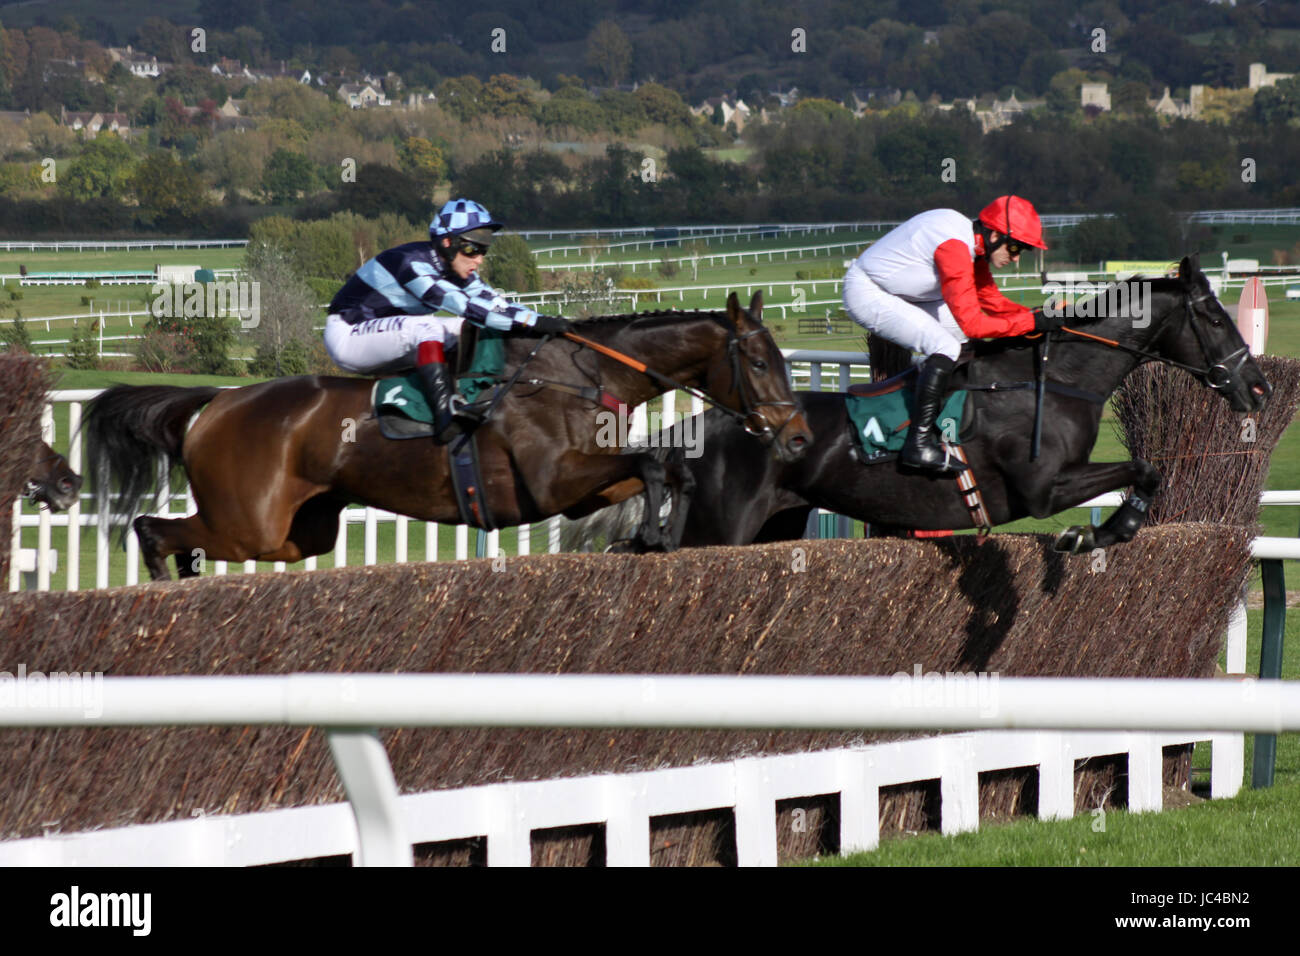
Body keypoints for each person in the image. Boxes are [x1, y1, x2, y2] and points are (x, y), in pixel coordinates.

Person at [842, 195, 1060, 475]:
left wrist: (1038, 316)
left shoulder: (973, 244)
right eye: (1015, 247)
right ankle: (917, 444)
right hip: (867, 292)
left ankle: (950, 421)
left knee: (959, 340)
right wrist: (1032, 321)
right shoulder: (956, 249)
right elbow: (974, 324)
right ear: (994, 234)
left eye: (1023, 251)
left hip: (900, 294)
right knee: (944, 344)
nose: (1016, 257)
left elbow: (991, 301)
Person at [324, 198, 572, 439]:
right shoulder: (410, 265)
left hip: (386, 335)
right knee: (427, 327)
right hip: (348, 334)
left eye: (483, 249)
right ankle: (445, 414)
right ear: (447, 242)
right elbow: (468, 307)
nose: (479, 258)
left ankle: (471, 394)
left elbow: (498, 305)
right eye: (472, 248)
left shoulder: (458, 270)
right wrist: (532, 324)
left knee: (468, 330)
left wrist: (546, 321)